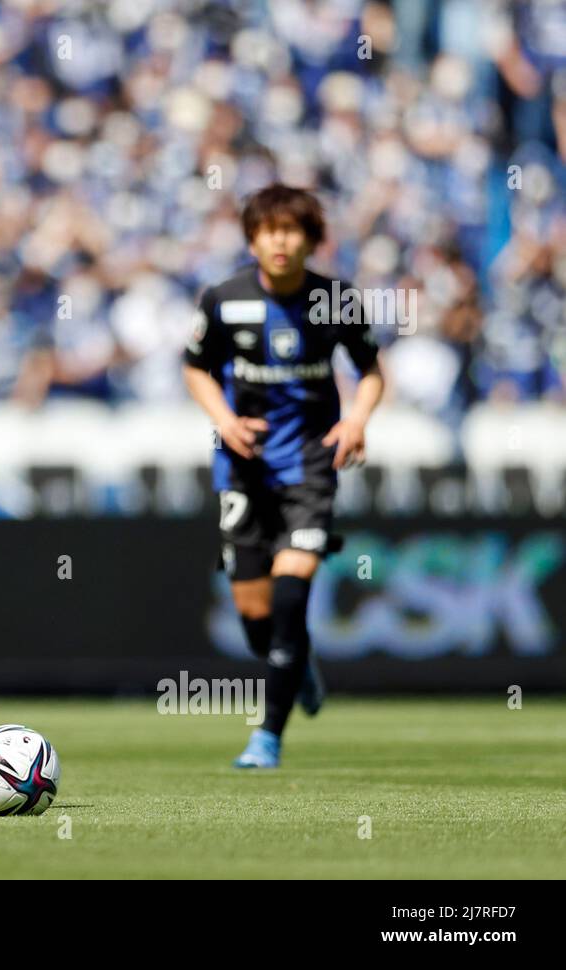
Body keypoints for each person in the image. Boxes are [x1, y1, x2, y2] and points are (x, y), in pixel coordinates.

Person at [182, 184, 385, 768]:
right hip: (242, 467)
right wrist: (224, 418)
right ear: (252, 238)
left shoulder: (335, 300)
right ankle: (298, 666)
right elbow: (194, 368)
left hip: (311, 466)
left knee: (292, 597)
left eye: (292, 230)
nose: (280, 241)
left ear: (311, 239)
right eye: (269, 230)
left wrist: (357, 420)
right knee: (255, 618)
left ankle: (266, 736)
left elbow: (371, 370)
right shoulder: (223, 298)